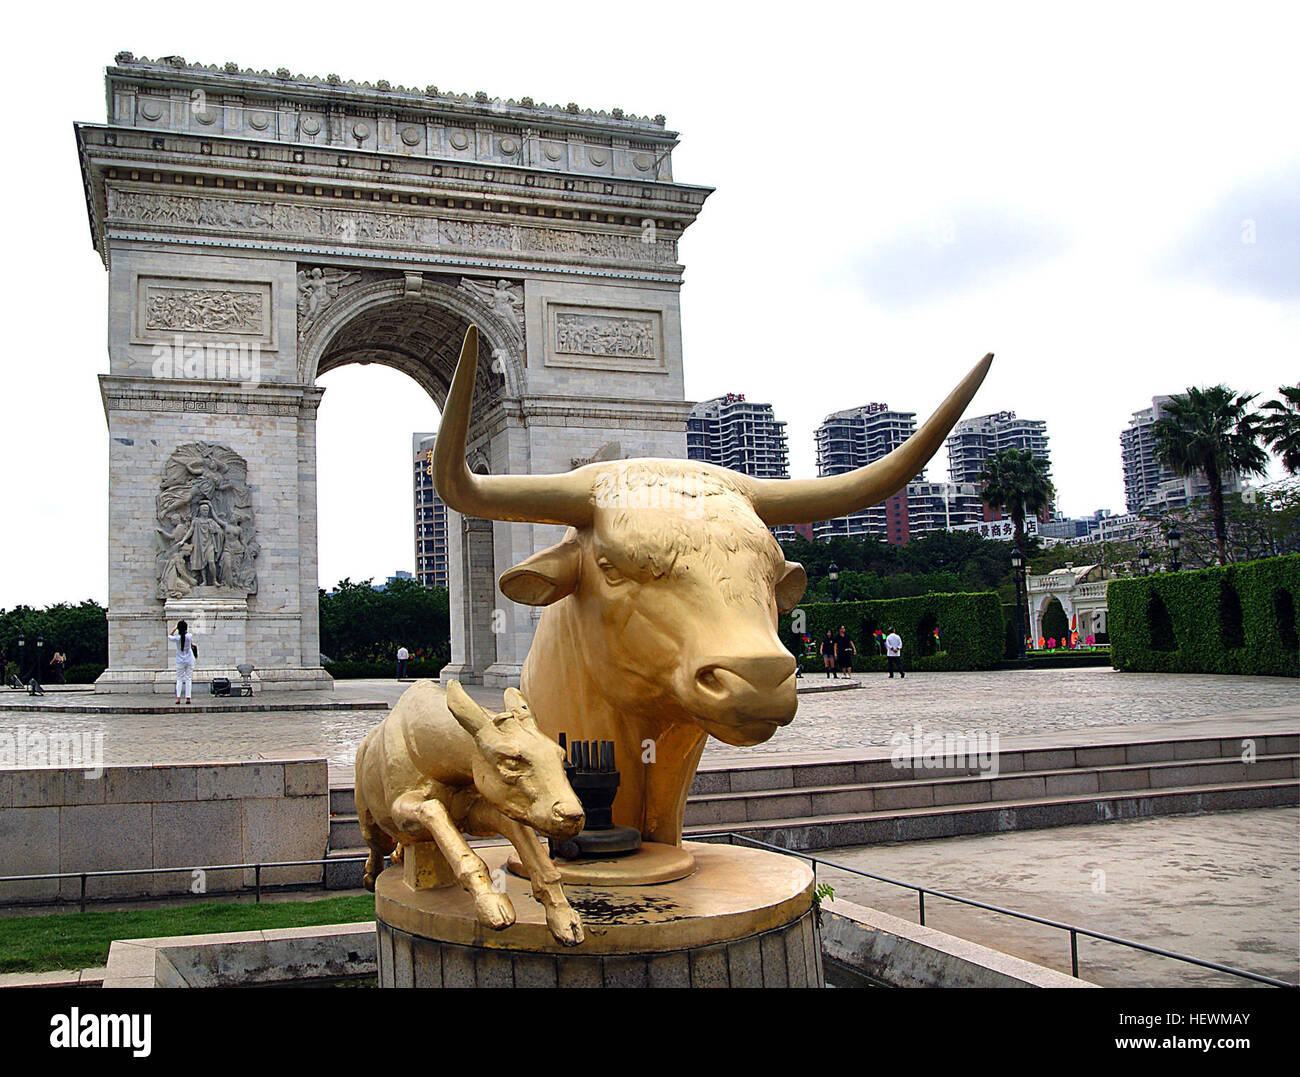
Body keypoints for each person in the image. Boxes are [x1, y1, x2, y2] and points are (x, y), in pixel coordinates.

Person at [168, 620, 198, 704]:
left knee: (179, 679)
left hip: (180, 660)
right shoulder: (189, 636)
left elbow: (169, 636)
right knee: (188, 678)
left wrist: (175, 628)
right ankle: (188, 698)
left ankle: (178, 698)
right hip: (189, 659)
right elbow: (188, 637)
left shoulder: (177, 638)